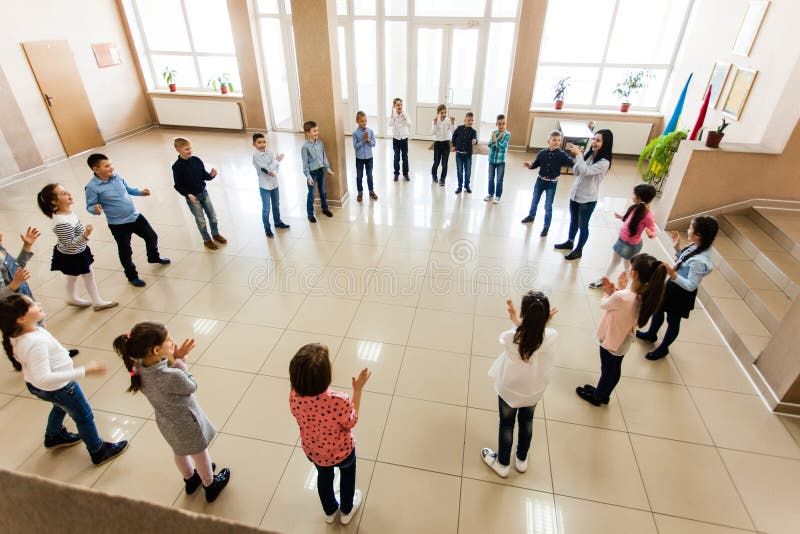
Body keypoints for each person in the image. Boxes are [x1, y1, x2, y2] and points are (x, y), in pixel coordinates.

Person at [0, 294, 128, 465]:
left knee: (60, 407)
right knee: (84, 416)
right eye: (31, 305)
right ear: (21, 318)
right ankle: (98, 450)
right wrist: (84, 371)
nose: (38, 303)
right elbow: (44, 377)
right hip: (60, 387)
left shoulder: (17, 334)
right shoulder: (35, 343)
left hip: (38, 386)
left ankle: (54, 435)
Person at [113, 321, 230, 502]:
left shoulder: (137, 368)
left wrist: (173, 357)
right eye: (168, 340)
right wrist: (177, 361)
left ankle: (190, 478)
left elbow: (159, 370)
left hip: (166, 422)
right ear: (156, 351)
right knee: (200, 453)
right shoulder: (170, 376)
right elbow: (191, 384)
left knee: (179, 452)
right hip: (186, 422)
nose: (172, 341)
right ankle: (209, 484)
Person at [289, 343, 370, 526]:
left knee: (324, 478)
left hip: (314, 451)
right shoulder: (338, 401)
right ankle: (347, 510)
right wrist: (357, 390)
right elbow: (351, 421)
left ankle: (330, 510)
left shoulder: (293, 396)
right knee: (348, 476)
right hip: (342, 452)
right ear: (327, 376)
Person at [481, 292, 558, 478]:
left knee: (507, 425)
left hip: (510, 390)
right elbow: (537, 335)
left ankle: (503, 464)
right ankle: (522, 460)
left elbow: (520, 336)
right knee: (527, 422)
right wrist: (539, 324)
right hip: (533, 391)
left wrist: (515, 322)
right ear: (546, 317)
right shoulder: (551, 336)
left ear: (523, 314)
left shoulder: (511, 337)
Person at [576, 254, 667, 406]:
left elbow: (604, 304)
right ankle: (605, 394)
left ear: (634, 273)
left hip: (612, 338)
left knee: (607, 370)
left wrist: (609, 291)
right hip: (625, 338)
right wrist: (619, 291)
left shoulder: (623, 296)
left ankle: (598, 396)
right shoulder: (646, 296)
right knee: (615, 368)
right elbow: (625, 304)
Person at [636, 216, 719, 360]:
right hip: (673, 285)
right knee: (658, 309)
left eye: (691, 227)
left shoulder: (700, 260)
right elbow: (685, 261)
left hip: (682, 293)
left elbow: (691, 285)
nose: (689, 229)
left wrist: (673, 274)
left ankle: (664, 348)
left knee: (673, 321)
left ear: (699, 235)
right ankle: (651, 334)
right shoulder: (697, 246)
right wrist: (677, 248)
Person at [85, 153, 170, 287]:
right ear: (96, 169)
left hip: (135, 217)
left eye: (111, 164)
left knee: (152, 237)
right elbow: (89, 206)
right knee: (125, 251)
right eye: (107, 166)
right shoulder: (92, 187)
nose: (111, 167)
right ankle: (132, 276)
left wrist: (140, 192)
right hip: (118, 224)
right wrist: (95, 209)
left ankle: (153, 257)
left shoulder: (117, 177)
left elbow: (128, 189)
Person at [36, 184, 118, 311]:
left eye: (66, 190)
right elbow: (70, 243)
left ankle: (72, 297)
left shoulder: (67, 212)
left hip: (77, 251)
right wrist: (86, 234)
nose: (69, 193)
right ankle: (97, 301)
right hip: (73, 254)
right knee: (88, 275)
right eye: (63, 193)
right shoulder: (61, 222)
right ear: (54, 201)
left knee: (72, 275)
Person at [554, 129, 614, 260]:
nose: (594, 142)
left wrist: (579, 157)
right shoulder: (588, 154)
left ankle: (579, 249)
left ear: (606, 143)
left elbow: (586, 171)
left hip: (587, 199)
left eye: (598, 140)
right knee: (573, 221)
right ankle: (570, 242)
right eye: (594, 139)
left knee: (583, 225)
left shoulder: (604, 163)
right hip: (575, 194)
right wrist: (580, 156)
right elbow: (577, 171)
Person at [589, 184, 657, 288]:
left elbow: (653, 231)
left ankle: (629, 287)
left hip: (630, 245)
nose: (633, 196)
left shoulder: (648, 215)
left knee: (628, 267)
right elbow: (630, 220)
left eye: (634, 194)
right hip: (622, 240)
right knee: (615, 261)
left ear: (640, 198)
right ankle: (604, 280)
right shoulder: (635, 208)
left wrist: (651, 234)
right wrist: (621, 217)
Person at [172, 137, 227, 250]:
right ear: (178, 150)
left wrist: (211, 175)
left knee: (213, 217)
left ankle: (215, 234)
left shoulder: (196, 160)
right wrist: (188, 195)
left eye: (190, 148)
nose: (190, 151)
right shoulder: (177, 167)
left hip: (203, 193)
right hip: (193, 198)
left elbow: (204, 176)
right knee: (201, 220)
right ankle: (207, 240)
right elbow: (178, 186)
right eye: (187, 149)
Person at [521, 130, 574, 236]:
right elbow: (536, 164)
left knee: (548, 205)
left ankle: (546, 226)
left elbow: (571, 162)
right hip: (540, 181)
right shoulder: (542, 153)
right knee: (535, 199)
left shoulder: (562, 155)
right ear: (548, 141)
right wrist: (530, 165)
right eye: (554, 140)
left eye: (559, 140)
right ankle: (531, 216)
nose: (557, 142)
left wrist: (579, 157)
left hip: (552, 183)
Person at [252, 132, 290, 238]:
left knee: (276, 204)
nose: (262, 144)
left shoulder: (269, 153)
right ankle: (267, 228)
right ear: (254, 144)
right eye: (259, 142)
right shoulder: (256, 157)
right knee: (266, 208)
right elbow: (266, 169)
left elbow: (275, 167)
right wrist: (277, 161)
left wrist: (275, 171)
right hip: (265, 186)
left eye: (264, 142)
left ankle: (277, 222)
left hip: (274, 184)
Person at [301, 121, 335, 223]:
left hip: (321, 171)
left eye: (317, 130)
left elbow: (324, 157)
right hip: (312, 174)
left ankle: (325, 209)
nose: (317, 132)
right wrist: (308, 177)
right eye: (314, 131)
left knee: (323, 191)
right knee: (311, 194)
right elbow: (305, 164)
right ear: (307, 133)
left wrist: (328, 169)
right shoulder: (305, 147)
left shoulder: (320, 143)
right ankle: (310, 214)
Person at [0, 226, 40, 300]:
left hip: (24, 299)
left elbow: (15, 267)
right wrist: (16, 283)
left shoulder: (1, 250)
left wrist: (27, 246)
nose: (1, 234)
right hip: (11, 307)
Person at [485, 114, 511, 204]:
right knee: (490, 178)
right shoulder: (494, 133)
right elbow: (489, 145)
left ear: (505, 124)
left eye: (503, 124)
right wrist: (496, 139)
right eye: (499, 124)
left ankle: (498, 196)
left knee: (499, 179)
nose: (501, 126)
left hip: (501, 161)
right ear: (496, 124)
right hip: (492, 160)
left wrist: (496, 140)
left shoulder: (507, 134)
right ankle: (490, 193)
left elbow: (503, 147)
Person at [353, 111, 378, 201]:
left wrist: (368, 140)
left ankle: (371, 191)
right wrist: (362, 141)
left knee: (369, 175)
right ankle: (360, 192)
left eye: (365, 121)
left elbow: (374, 144)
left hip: (369, 158)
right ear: (357, 121)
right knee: (359, 176)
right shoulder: (355, 133)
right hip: (359, 158)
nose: (364, 123)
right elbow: (355, 147)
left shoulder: (370, 131)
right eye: (362, 121)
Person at [451, 112, 478, 194]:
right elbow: (454, 137)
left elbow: (476, 139)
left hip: (468, 155)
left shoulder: (473, 131)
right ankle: (459, 186)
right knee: (459, 171)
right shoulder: (459, 128)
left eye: (472, 120)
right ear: (464, 120)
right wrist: (454, 146)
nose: (470, 122)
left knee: (468, 171)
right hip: (459, 154)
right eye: (469, 120)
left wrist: (475, 141)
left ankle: (467, 185)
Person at [431, 104, 455, 185]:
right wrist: (434, 124)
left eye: (445, 112)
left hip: (446, 144)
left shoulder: (448, 120)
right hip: (437, 144)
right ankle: (434, 175)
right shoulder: (435, 121)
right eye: (442, 113)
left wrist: (452, 123)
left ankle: (443, 178)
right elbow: (433, 132)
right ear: (438, 113)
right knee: (436, 162)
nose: (444, 114)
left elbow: (453, 132)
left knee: (444, 163)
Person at [388, 98, 411, 181]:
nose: (400, 106)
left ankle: (405, 173)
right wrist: (391, 116)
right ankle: (396, 174)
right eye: (398, 105)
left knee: (405, 157)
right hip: (396, 139)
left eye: (401, 105)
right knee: (396, 157)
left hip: (404, 139)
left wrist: (405, 118)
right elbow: (390, 124)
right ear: (394, 106)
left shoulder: (405, 114)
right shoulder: (393, 115)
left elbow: (409, 124)